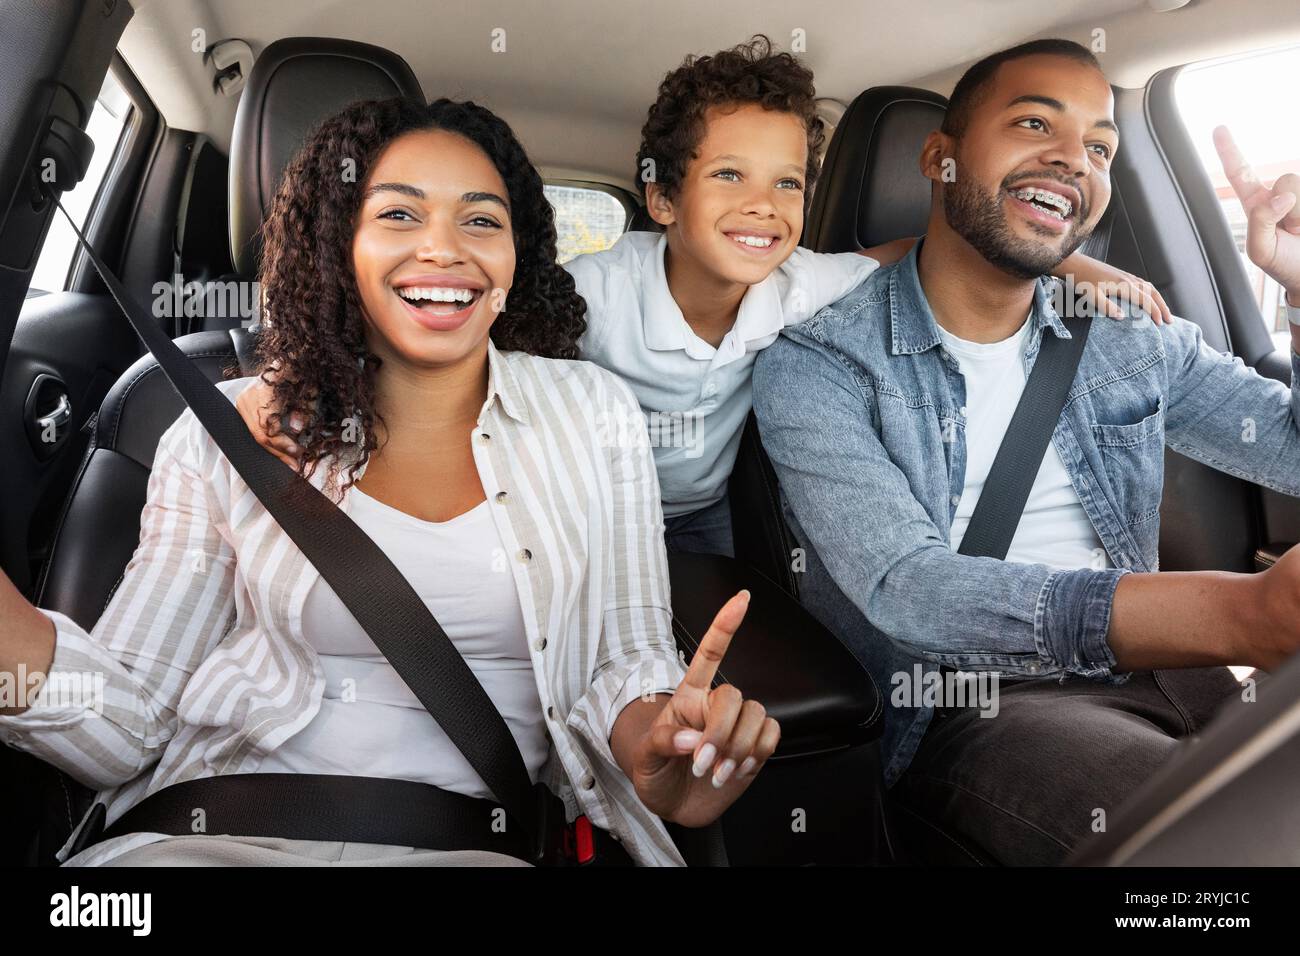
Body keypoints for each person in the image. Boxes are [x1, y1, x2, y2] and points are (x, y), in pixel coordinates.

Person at [0, 96, 780, 867]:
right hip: (206, 830)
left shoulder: (593, 414)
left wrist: (661, 747)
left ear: (517, 257)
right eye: (399, 216)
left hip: (475, 841)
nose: (444, 248)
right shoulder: (224, 428)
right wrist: (13, 642)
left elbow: (627, 657)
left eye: (481, 220)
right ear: (340, 245)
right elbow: (129, 724)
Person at [236, 36, 1169, 560]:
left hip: (706, 515)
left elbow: (917, 254)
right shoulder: (592, 298)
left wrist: (1068, 264)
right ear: (661, 198)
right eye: (729, 176)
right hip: (583, 507)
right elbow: (457, 352)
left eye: (790, 184)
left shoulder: (805, 286)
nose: (765, 206)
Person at [751, 38, 1300, 865]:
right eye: (1035, 122)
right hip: (978, 698)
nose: (1073, 160)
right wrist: (1241, 613)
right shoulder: (820, 363)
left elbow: (1289, 450)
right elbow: (911, 591)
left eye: (1100, 147)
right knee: (1232, 858)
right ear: (939, 159)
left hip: (1175, 664)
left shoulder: (1127, 336)